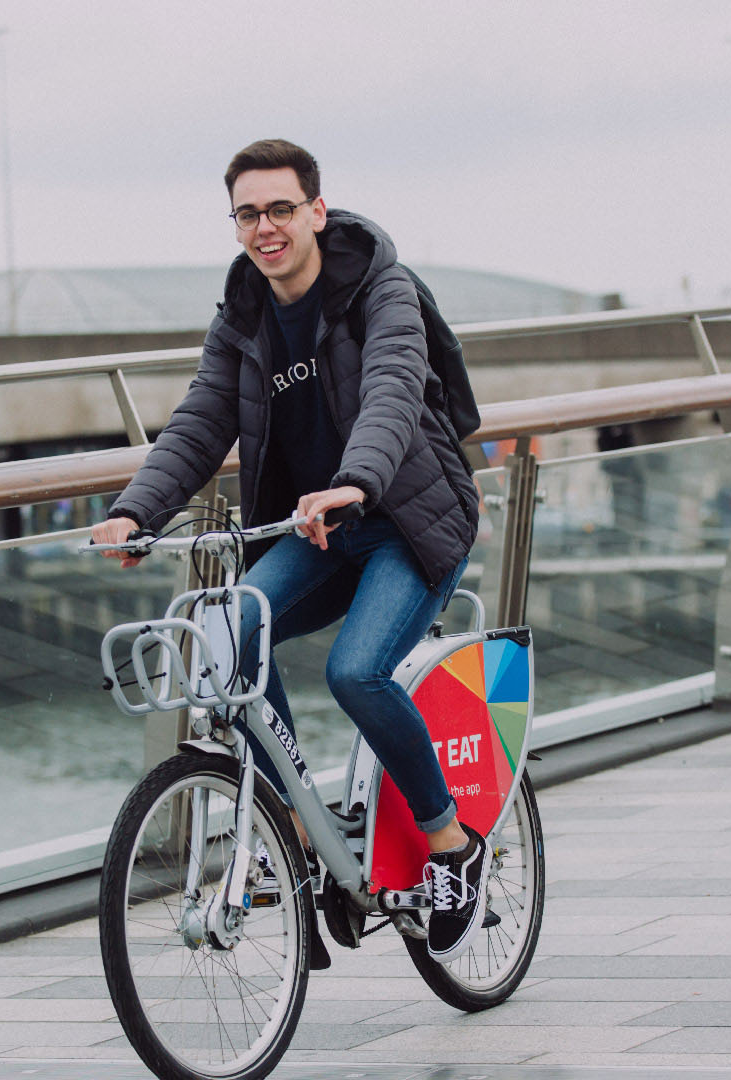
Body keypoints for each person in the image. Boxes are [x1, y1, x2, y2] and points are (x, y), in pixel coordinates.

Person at [88, 139, 489, 961]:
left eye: (280, 209)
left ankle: (452, 843)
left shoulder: (384, 288)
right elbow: (201, 421)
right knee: (234, 629)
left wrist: (357, 481)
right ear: (234, 224)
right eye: (247, 214)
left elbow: (392, 386)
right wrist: (136, 511)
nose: (264, 227)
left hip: (409, 517)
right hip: (316, 528)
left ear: (317, 211)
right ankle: (300, 836)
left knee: (356, 671)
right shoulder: (243, 317)